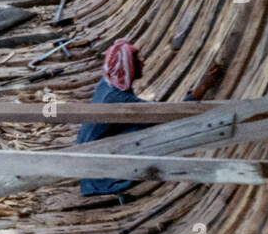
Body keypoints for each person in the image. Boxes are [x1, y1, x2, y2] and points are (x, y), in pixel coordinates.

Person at [75, 39, 223, 201]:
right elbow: (164, 115)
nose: (142, 62)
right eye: (137, 60)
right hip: (98, 169)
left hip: (89, 160)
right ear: (128, 65)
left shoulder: (107, 84)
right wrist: (200, 90)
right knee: (156, 131)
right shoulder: (118, 98)